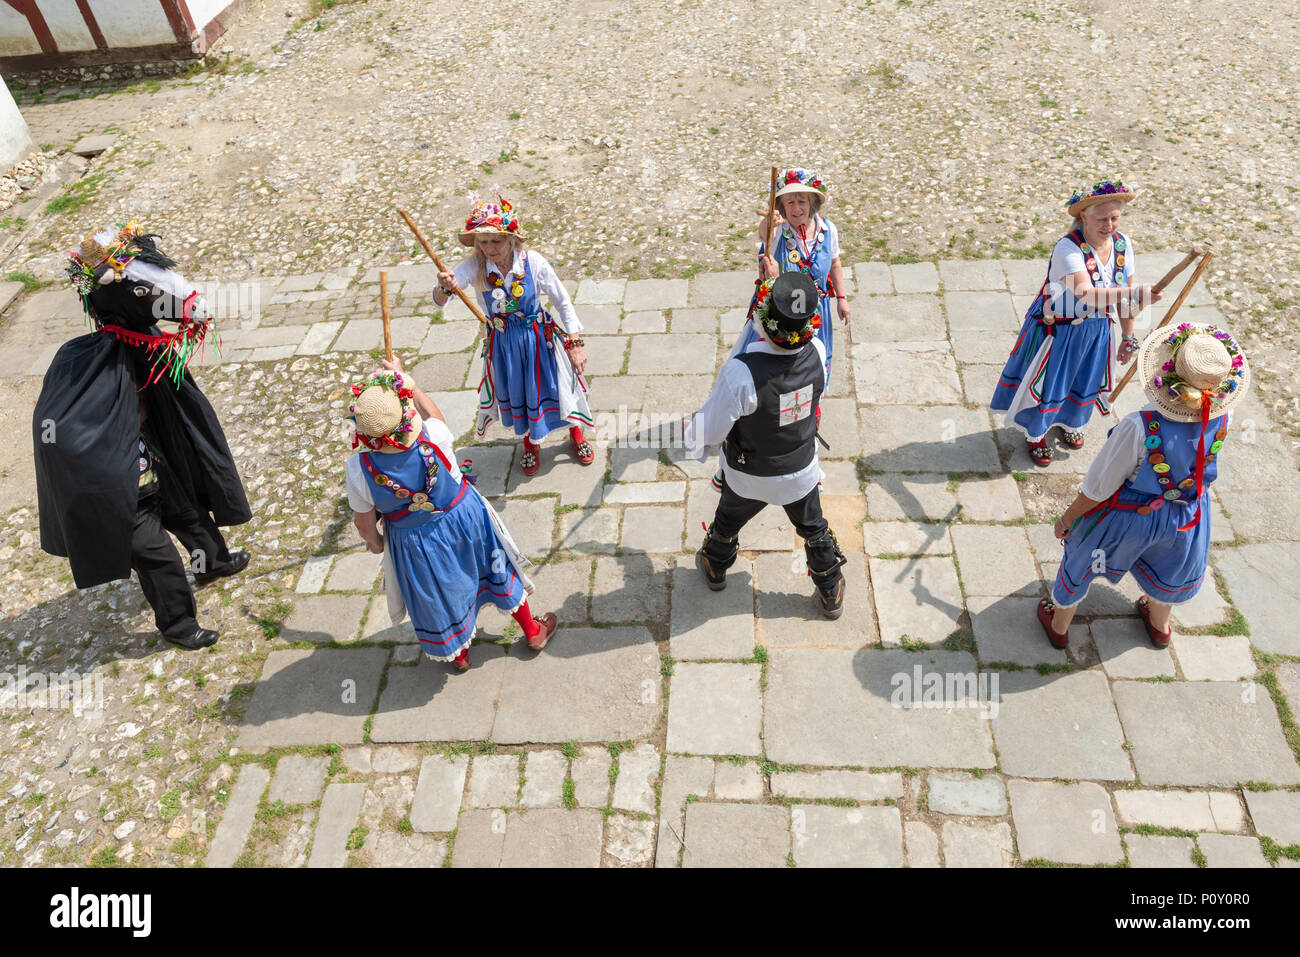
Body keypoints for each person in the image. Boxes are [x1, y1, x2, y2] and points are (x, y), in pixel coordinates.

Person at [34, 224, 251, 649]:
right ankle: (179, 626)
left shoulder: (143, 347)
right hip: (122, 490)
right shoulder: (84, 368)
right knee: (159, 560)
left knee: (188, 510)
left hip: (153, 464)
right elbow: (62, 436)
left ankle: (213, 562)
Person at [1037, 322, 1249, 649]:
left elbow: (1098, 488)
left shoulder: (1139, 427)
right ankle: (1159, 624)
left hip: (1128, 517)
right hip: (1187, 514)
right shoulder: (1223, 416)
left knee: (1081, 558)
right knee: (1170, 566)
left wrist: (1067, 520)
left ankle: (1059, 625)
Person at [344, 357, 557, 672]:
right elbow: (434, 415)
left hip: (413, 542)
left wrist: (376, 542)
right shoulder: (435, 436)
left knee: (437, 591)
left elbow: (364, 525)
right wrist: (409, 383)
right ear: (405, 415)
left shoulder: (358, 469)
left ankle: (458, 654)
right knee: (495, 567)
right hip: (464, 520)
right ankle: (532, 630)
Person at [686, 272, 847, 618]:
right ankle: (830, 587)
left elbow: (712, 431)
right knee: (813, 527)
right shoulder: (819, 352)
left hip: (749, 474)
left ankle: (715, 566)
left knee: (729, 517)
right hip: (800, 469)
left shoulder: (741, 373)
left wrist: (692, 432)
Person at [991, 180, 1163, 465]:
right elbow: (1087, 293)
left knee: (1086, 380)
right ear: (1083, 217)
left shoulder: (1122, 245)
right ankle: (1036, 434)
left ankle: (1071, 423)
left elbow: (1124, 298)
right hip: (1060, 329)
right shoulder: (1067, 249)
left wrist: (1128, 337)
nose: (1109, 225)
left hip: (1096, 331)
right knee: (1051, 383)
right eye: (1101, 219)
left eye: (1115, 218)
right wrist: (1136, 292)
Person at [432, 188, 593, 477]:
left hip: (538, 339)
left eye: (496, 241)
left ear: (510, 239)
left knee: (558, 386)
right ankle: (531, 441)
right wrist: (444, 286)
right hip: (505, 345)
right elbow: (442, 299)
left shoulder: (533, 263)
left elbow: (562, 301)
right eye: (483, 242)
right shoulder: (474, 267)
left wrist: (575, 343)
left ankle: (576, 433)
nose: (490, 247)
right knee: (522, 391)